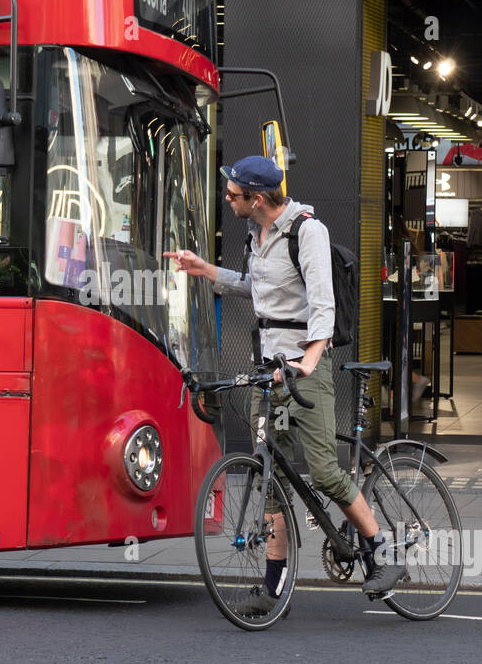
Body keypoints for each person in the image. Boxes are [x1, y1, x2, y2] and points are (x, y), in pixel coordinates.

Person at [169, 155, 406, 596]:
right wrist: (205, 270)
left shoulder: (307, 232)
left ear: (257, 199)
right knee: (269, 477)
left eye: (234, 194)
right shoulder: (255, 233)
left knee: (325, 473)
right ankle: (274, 587)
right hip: (269, 373)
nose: (228, 199)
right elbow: (257, 287)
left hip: (303, 372)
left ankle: (382, 551)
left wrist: (311, 358)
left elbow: (323, 303)